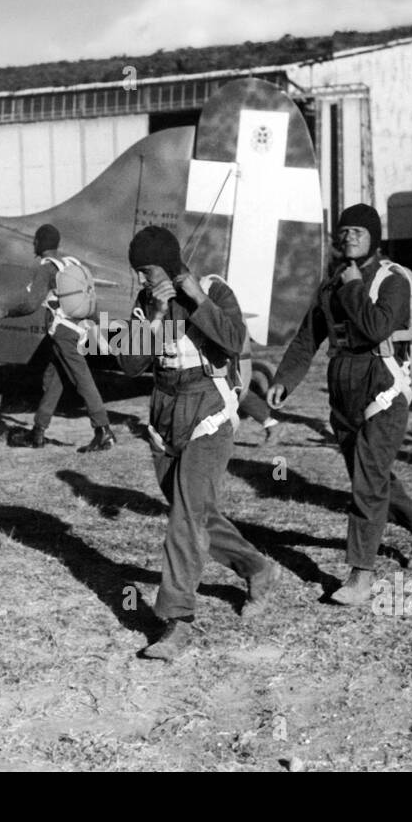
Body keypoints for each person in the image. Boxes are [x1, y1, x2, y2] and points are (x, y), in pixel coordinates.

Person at [116, 226, 278, 659]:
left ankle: (177, 620)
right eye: (137, 273)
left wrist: (196, 299)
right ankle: (257, 567)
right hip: (165, 413)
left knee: (183, 519)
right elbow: (128, 363)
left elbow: (234, 340)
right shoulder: (147, 302)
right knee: (196, 514)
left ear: (167, 264)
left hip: (209, 411)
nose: (141, 280)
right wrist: (153, 314)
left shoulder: (212, 289)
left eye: (146, 271)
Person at [269, 204, 412, 603]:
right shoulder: (331, 283)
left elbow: (376, 328)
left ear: (374, 239)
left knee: (367, 483)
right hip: (343, 387)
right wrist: (285, 379)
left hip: (381, 385)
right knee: (369, 476)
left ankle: (360, 576)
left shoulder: (392, 280)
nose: (349, 237)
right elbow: (308, 337)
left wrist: (352, 287)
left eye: (358, 232)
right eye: (344, 231)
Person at [0, 223, 114, 452]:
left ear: (38, 243)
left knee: (82, 378)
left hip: (63, 333)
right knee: (56, 380)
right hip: (78, 328)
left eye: (34, 241)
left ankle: (103, 430)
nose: (33, 245)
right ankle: (38, 432)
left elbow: (30, 305)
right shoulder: (72, 264)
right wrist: (98, 325)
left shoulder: (47, 268)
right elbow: (90, 298)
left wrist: (5, 312)